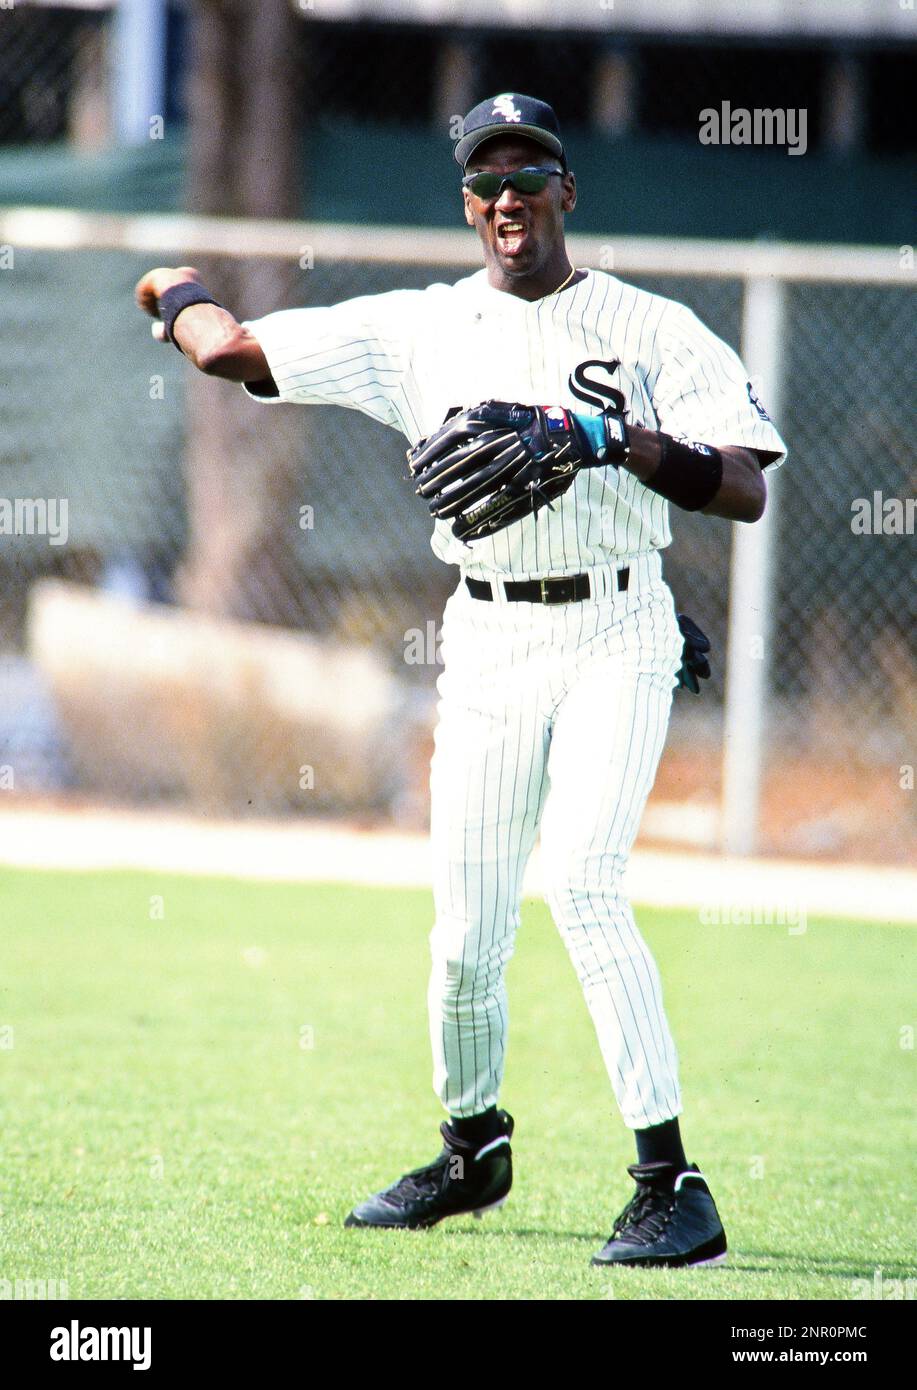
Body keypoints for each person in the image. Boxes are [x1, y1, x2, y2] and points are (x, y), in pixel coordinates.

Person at [135, 93, 786, 1268]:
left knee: (583, 882)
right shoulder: (416, 331)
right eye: (484, 182)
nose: (504, 200)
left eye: (526, 175)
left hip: (619, 629)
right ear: (465, 203)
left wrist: (612, 440)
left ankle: (670, 1183)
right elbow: (234, 352)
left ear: (565, 192)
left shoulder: (651, 328)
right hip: (484, 646)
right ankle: (471, 1146)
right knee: (462, 938)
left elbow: (742, 485)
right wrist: (173, 294)